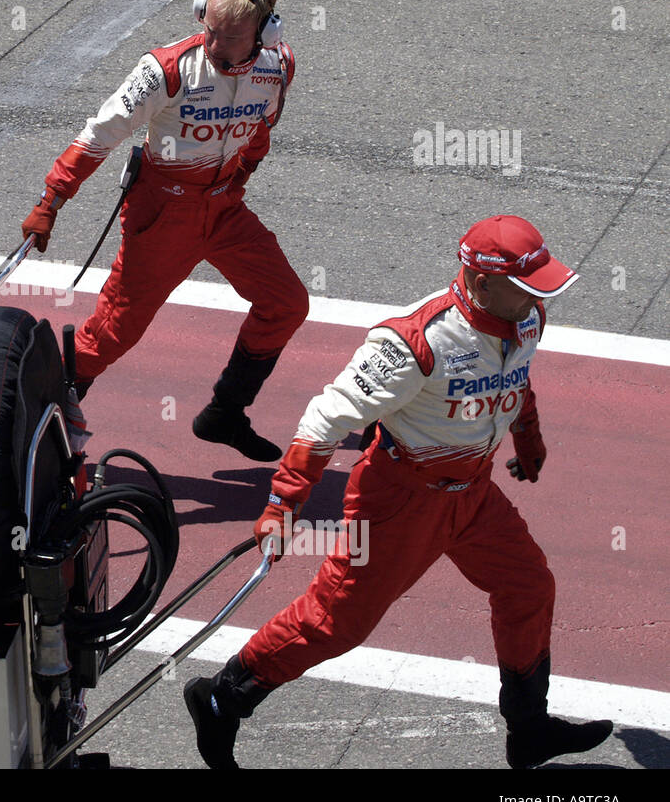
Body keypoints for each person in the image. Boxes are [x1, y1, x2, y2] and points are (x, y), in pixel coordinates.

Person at [184, 215, 614, 769]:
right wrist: (282, 504)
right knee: (337, 624)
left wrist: (528, 441)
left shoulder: (526, 318)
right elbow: (324, 420)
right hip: (400, 500)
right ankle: (222, 698)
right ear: (482, 284)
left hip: (473, 494)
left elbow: (516, 382)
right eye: (527, 285)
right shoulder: (414, 341)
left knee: (528, 586)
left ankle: (528, 729)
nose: (538, 297)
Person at [21, 0, 309, 461]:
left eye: (230, 37)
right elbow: (99, 135)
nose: (215, 43)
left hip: (224, 210)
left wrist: (242, 175)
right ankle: (34, 426)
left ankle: (224, 413)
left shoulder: (278, 66)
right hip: (164, 216)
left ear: (265, 34)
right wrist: (51, 201)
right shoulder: (165, 69)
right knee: (113, 334)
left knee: (286, 304)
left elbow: (260, 129)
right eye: (209, 29)